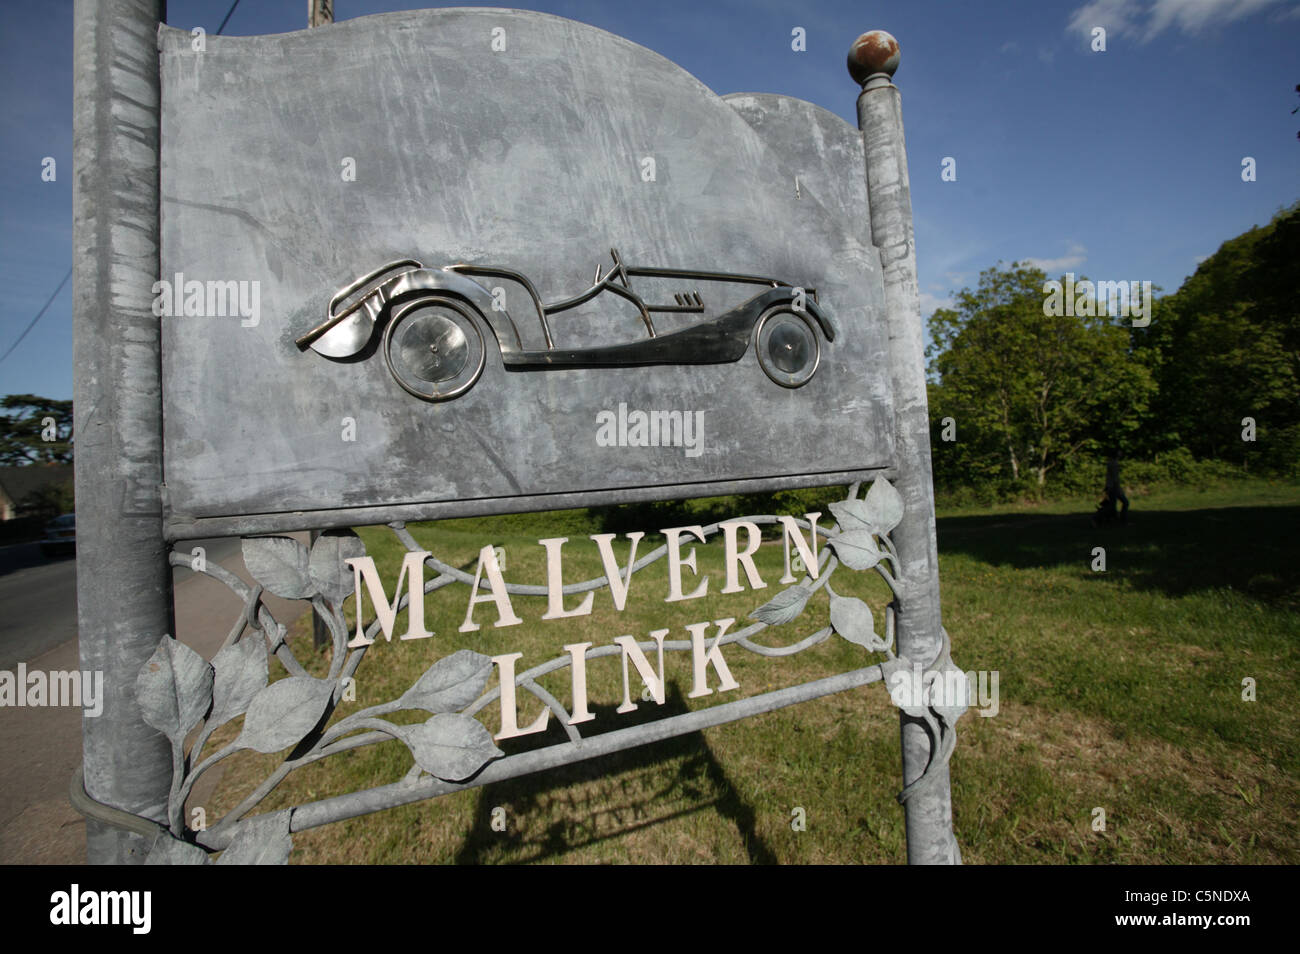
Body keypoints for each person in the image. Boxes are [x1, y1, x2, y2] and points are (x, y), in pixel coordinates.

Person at [1104, 451, 1129, 524]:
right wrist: (1118, 488)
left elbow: (1110, 477)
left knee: (1112, 505)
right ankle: (1123, 520)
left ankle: (1111, 520)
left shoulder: (1110, 463)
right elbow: (1115, 478)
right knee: (1125, 502)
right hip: (1114, 487)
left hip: (1110, 486)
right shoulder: (1114, 464)